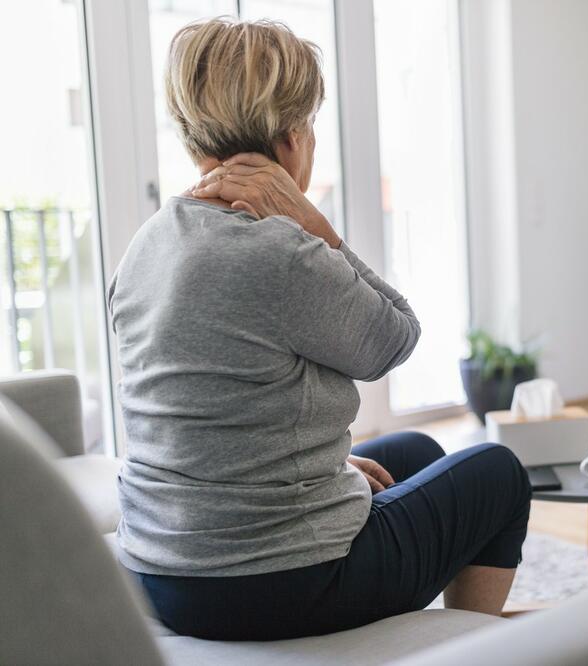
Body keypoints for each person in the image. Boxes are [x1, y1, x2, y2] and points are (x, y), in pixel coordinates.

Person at [109, 17, 531, 641]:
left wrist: (321, 473)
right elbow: (397, 337)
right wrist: (317, 226)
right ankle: (462, 649)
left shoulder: (146, 246)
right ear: (290, 139)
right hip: (276, 585)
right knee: (498, 472)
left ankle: (410, 632)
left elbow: (201, 408)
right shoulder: (278, 249)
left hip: (163, 571)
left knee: (411, 454)